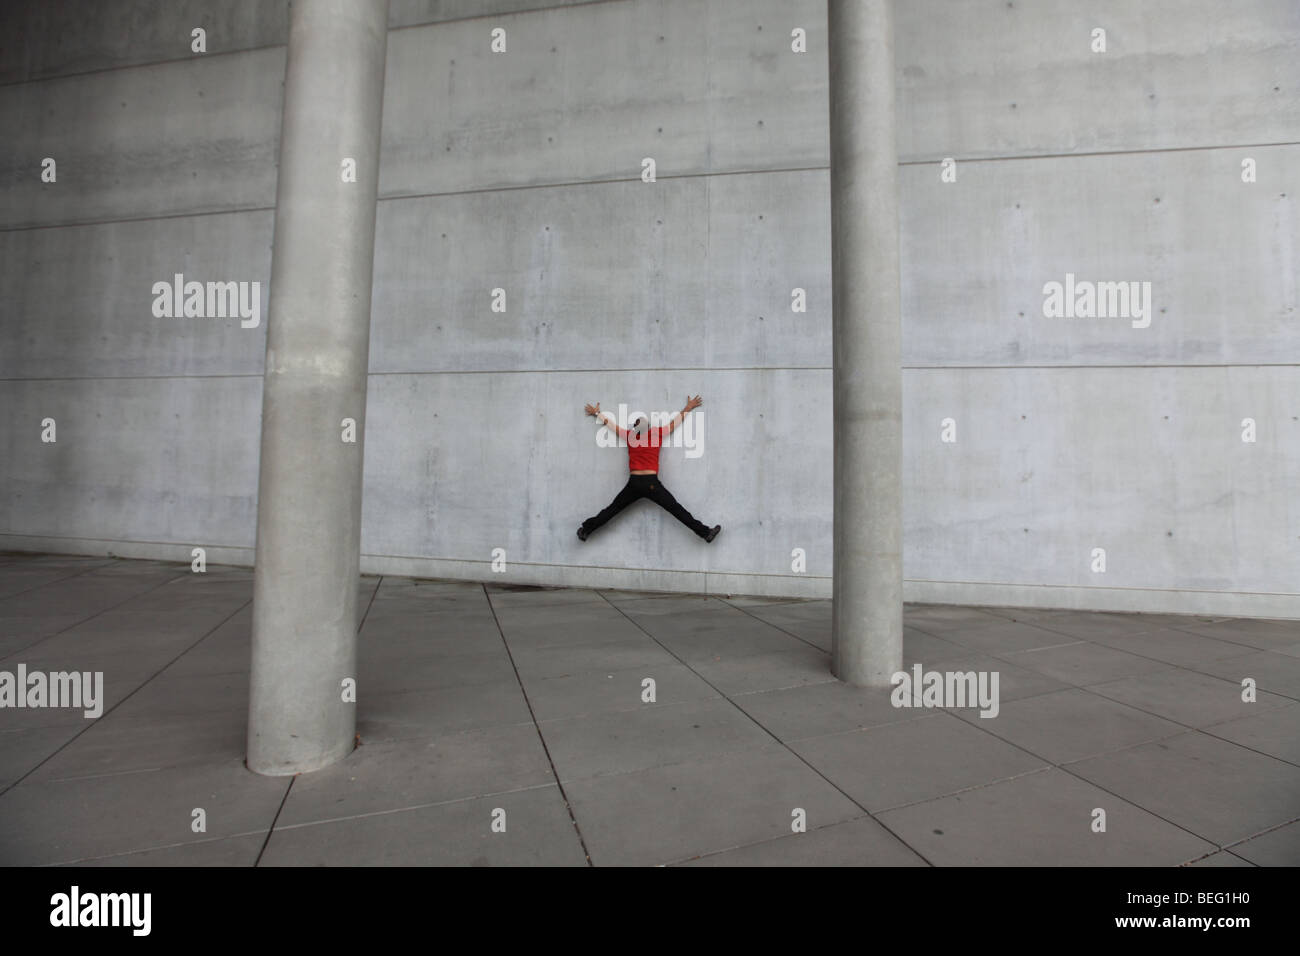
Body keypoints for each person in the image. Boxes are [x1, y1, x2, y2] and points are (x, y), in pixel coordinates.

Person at [578, 395, 720, 543]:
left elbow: (611, 425)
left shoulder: (630, 436)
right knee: (677, 510)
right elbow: (674, 424)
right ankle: (705, 533)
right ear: (648, 427)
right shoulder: (655, 433)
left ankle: (585, 530)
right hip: (651, 483)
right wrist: (688, 408)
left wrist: (597, 413)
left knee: (611, 510)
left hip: (634, 483)